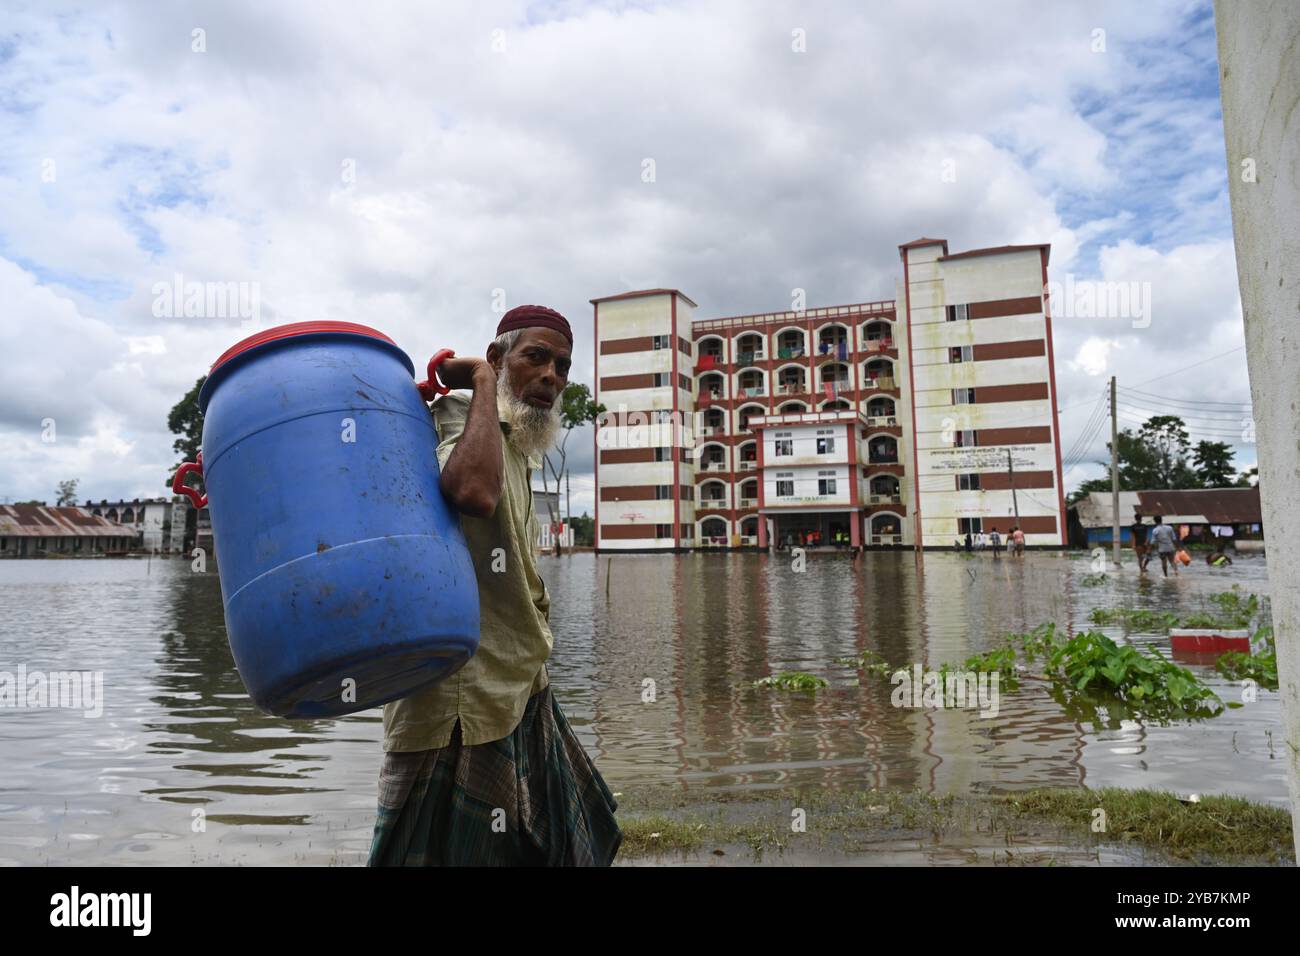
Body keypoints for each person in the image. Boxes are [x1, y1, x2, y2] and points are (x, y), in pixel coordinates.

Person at [369, 305, 621, 866]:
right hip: (455, 693)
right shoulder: (463, 411)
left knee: (572, 836)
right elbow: (473, 493)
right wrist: (480, 384)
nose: (551, 376)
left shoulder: (521, 447)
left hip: (519, 676)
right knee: (432, 852)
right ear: (497, 358)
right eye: (535, 357)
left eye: (562, 365)